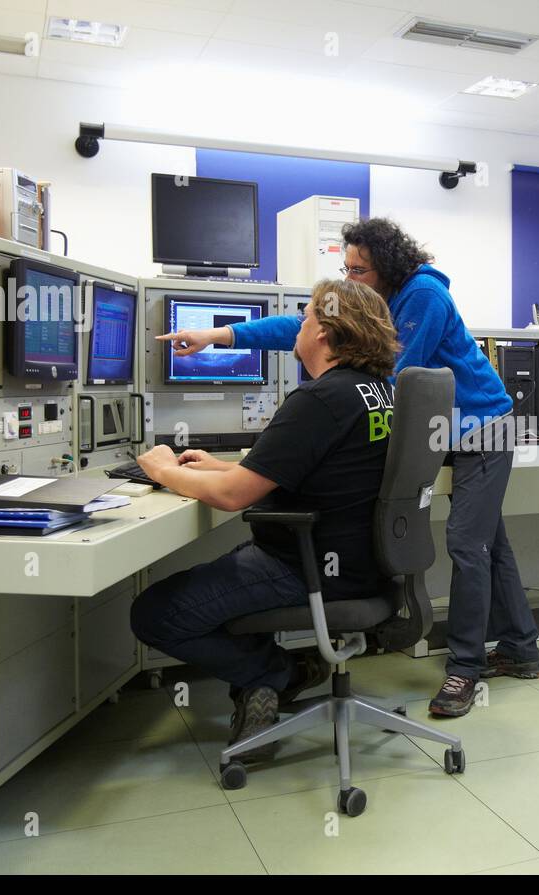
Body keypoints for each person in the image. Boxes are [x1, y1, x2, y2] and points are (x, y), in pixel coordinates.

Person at [160, 218, 539, 717]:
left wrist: (331, 410)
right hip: (444, 430)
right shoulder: (374, 300)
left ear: (387, 265)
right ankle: (521, 649)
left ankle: (464, 670)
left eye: (359, 270)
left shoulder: (423, 294)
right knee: (491, 545)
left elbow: (391, 371)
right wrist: (219, 334)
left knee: (471, 545)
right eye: (347, 268)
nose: (351, 278)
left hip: (485, 427)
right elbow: (303, 328)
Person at [131, 278, 399, 754]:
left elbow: (234, 498)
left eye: (308, 315)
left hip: (304, 566)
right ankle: (264, 679)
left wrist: (162, 469)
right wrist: (221, 467)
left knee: (155, 613)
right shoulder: (376, 391)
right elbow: (312, 470)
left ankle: (277, 672)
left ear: (323, 332)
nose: (300, 324)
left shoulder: (319, 399)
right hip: (358, 564)